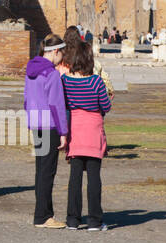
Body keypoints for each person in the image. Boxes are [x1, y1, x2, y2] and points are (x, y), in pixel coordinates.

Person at [59, 40, 110, 231]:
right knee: (94, 177)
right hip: (93, 129)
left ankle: (72, 219)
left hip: (75, 128)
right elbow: (106, 105)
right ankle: (94, 220)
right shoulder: (96, 81)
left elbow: (62, 104)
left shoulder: (65, 81)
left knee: (75, 177)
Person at [24, 34, 68, 228]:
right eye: (62, 54)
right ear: (56, 51)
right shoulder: (52, 74)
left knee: (40, 170)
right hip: (49, 125)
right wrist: (64, 131)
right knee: (47, 172)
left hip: (36, 123)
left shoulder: (30, 71)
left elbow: (26, 99)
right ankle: (43, 216)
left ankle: (42, 212)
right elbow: (57, 104)